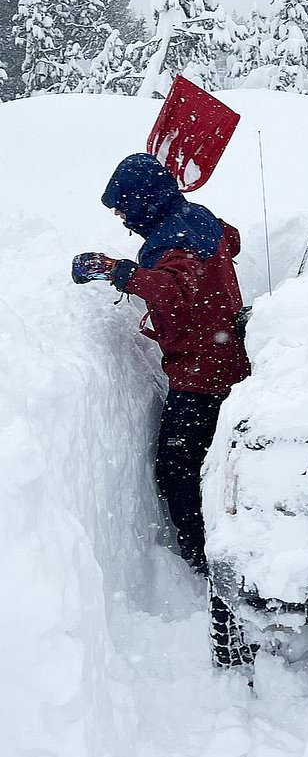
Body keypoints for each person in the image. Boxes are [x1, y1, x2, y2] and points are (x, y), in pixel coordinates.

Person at [72, 151, 254, 667]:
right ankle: (217, 546)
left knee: (177, 470)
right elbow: (232, 239)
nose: (122, 219)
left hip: (201, 374)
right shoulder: (200, 223)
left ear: (145, 202)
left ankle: (203, 564)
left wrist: (117, 270)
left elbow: (172, 291)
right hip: (229, 362)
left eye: (124, 208)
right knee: (215, 467)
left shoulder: (174, 240)